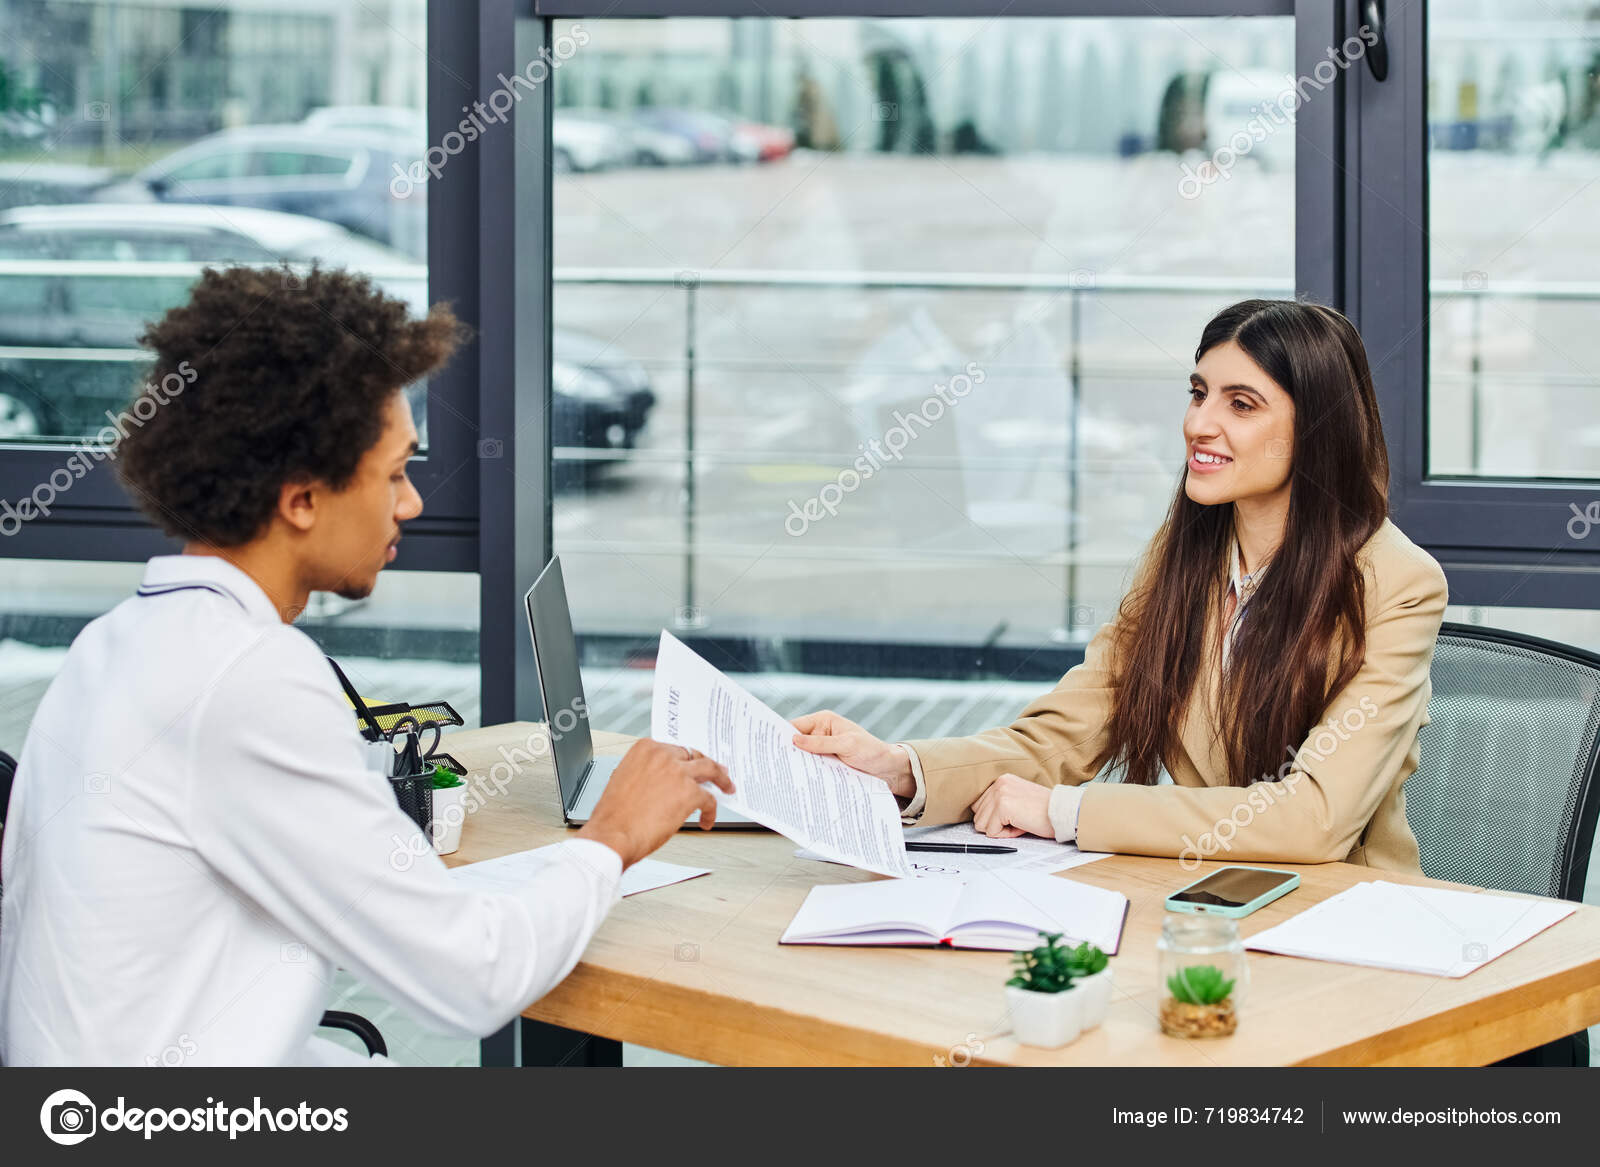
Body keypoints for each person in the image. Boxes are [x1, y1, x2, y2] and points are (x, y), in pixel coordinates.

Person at [0, 265, 731, 1066]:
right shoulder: (245, 675)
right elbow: (469, 981)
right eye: (393, 473)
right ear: (303, 498)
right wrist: (613, 834)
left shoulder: (114, 642)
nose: (411, 503)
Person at [792, 299, 1447, 873]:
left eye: (1240, 403)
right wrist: (900, 768)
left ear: (1315, 431)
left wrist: (1068, 810)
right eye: (1198, 393)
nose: (1199, 423)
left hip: (1345, 918)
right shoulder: (1186, 558)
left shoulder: (1399, 585)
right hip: (1203, 899)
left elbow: (1316, 816)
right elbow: (1060, 737)